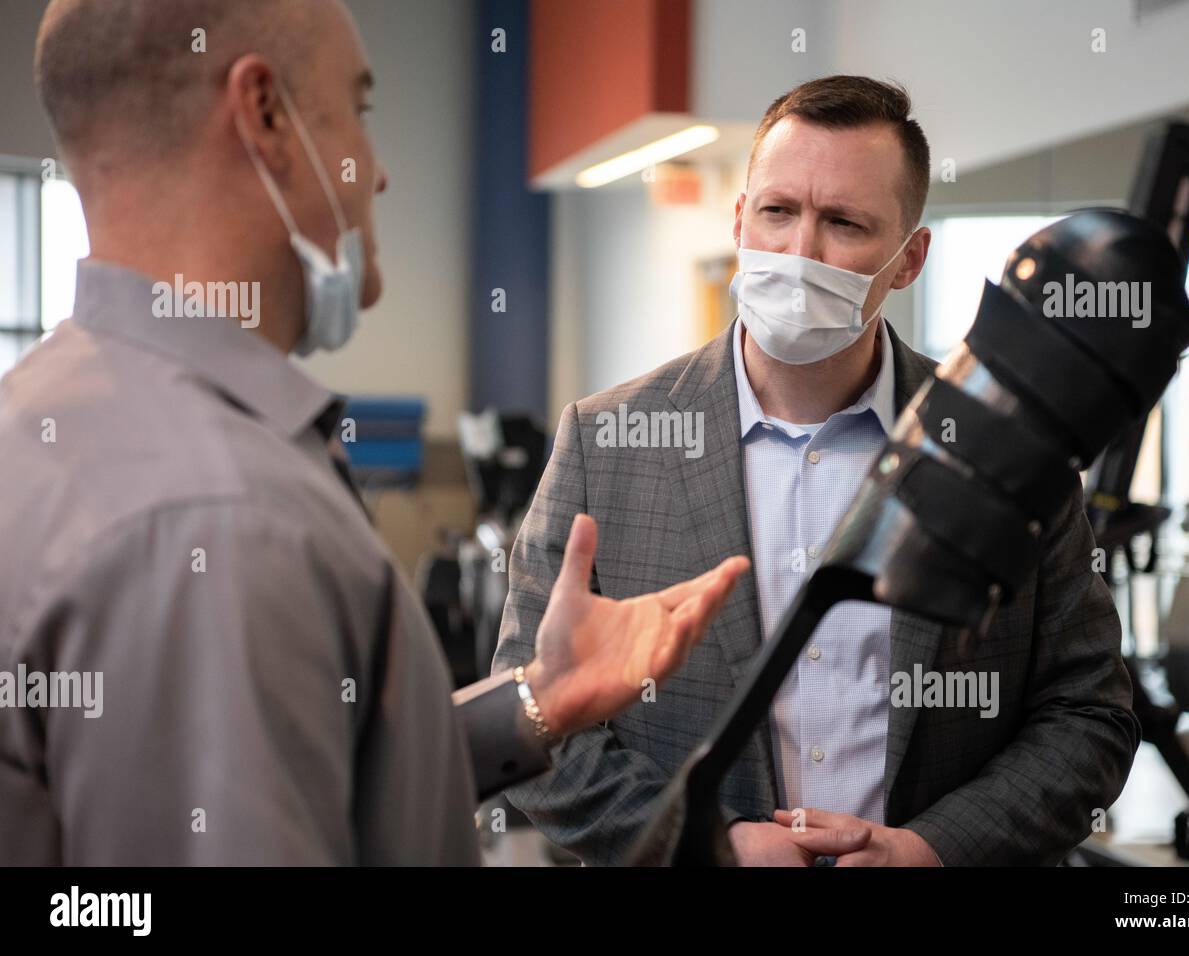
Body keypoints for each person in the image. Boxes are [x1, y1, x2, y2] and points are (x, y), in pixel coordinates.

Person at [0, 0, 749, 865]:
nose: (379, 172)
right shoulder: (221, 514)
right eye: (359, 110)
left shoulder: (51, 416)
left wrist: (540, 699)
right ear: (265, 114)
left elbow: (309, 773)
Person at [493, 75, 1140, 866]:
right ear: (739, 220)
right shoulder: (606, 442)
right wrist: (713, 846)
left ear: (910, 260)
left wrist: (931, 852)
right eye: (777, 212)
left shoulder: (1006, 446)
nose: (800, 253)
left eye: (844, 223)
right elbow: (534, 731)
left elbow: (1088, 714)